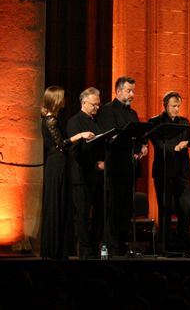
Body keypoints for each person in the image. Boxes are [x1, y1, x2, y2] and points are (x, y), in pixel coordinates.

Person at [40, 86, 95, 258]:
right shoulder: (50, 120)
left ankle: (60, 249)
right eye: (62, 98)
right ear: (55, 100)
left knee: (62, 204)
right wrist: (80, 135)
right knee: (57, 203)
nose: (64, 101)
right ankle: (55, 249)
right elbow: (60, 144)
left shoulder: (52, 119)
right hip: (56, 165)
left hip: (59, 163)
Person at [96, 76, 146, 257]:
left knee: (126, 209)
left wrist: (143, 147)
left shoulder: (132, 114)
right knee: (113, 208)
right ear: (118, 91)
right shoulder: (107, 110)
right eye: (128, 90)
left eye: (133, 91)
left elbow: (140, 137)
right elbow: (110, 137)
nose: (132, 94)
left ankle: (123, 245)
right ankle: (112, 246)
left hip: (130, 168)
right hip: (115, 167)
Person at [148, 91, 190, 256]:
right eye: (173, 106)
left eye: (178, 106)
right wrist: (175, 148)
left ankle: (182, 244)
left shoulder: (185, 122)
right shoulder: (156, 122)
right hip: (164, 171)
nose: (176, 109)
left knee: (186, 207)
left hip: (183, 171)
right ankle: (166, 245)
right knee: (165, 208)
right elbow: (158, 144)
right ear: (165, 105)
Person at [65, 87, 103, 259]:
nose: (96, 107)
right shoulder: (75, 121)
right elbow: (74, 151)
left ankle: (94, 247)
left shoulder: (95, 121)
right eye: (94, 105)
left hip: (95, 174)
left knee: (98, 213)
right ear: (84, 103)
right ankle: (85, 250)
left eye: (98, 104)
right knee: (81, 215)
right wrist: (95, 161)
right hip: (81, 175)